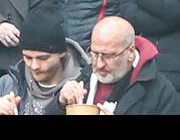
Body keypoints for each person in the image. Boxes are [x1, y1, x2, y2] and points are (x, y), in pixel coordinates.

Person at [45, 16, 180, 115]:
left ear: (131, 52)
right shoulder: (85, 79)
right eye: (94, 54)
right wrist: (60, 104)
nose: (99, 64)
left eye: (108, 56)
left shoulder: (160, 92)